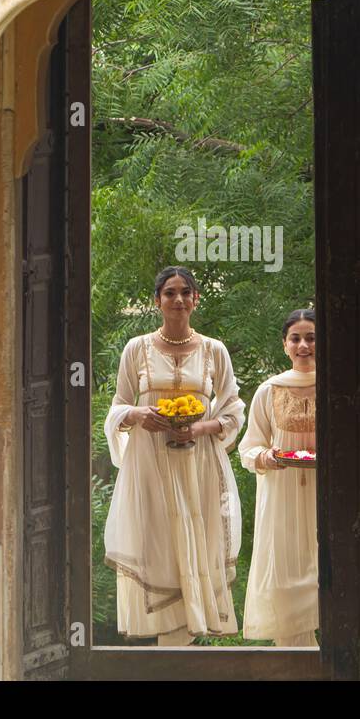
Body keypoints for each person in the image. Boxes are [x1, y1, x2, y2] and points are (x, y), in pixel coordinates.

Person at [103, 266, 246, 644]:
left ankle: (187, 640)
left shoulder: (215, 350)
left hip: (198, 462)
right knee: (159, 541)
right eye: (170, 293)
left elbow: (233, 409)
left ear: (195, 300)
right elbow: (117, 406)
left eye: (186, 292)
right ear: (157, 301)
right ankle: (168, 646)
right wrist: (136, 414)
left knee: (198, 537)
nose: (178, 299)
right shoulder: (137, 348)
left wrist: (200, 428)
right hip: (150, 461)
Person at [238, 308, 318, 647]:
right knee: (284, 575)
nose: (304, 345)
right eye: (296, 338)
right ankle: (293, 659)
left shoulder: (337, 386)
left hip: (325, 494)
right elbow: (248, 447)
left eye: (311, 338)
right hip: (281, 497)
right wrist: (266, 456)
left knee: (327, 570)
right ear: (284, 345)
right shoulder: (268, 391)